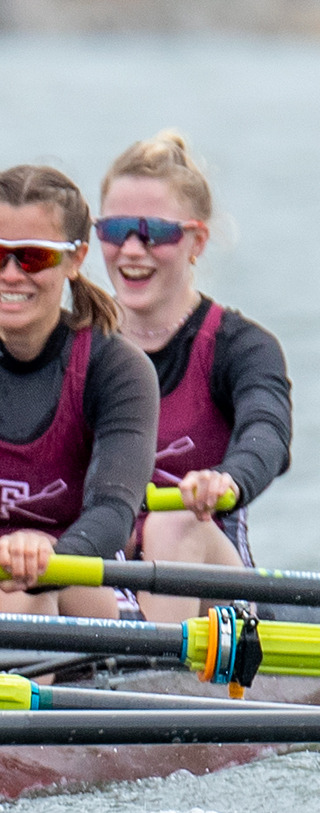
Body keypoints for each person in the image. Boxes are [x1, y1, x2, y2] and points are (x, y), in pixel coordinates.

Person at [0, 165, 158, 619]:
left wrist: (44, 557)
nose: (11, 275)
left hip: (75, 580)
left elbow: (114, 513)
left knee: (22, 581)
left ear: (75, 259)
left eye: (33, 257)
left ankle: (3, 682)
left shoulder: (117, 368)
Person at [97, 132, 294, 622]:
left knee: (174, 521)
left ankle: (156, 676)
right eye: (115, 229)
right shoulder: (75, 347)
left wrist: (226, 480)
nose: (131, 249)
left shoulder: (240, 346)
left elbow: (267, 434)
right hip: (104, 584)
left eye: (154, 232)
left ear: (196, 241)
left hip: (215, 593)